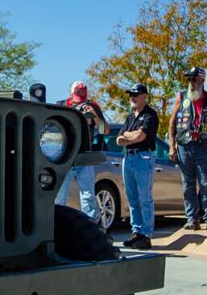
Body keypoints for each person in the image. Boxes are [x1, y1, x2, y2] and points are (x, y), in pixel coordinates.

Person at [169, 66, 207, 231]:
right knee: (188, 184)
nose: (191, 83)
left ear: (202, 80)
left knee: (206, 182)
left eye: (193, 79)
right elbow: (172, 122)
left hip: (203, 146)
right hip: (185, 144)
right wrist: (172, 145)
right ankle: (192, 218)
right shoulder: (182, 97)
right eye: (189, 79)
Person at [54, 81, 110, 221]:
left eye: (81, 98)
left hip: (84, 156)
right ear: (70, 93)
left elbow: (106, 130)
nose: (78, 103)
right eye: (76, 98)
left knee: (88, 196)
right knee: (60, 195)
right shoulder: (60, 105)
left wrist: (93, 116)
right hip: (64, 156)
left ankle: (92, 224)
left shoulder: (92, 106)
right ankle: (57, 226)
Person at [116, 83, 159, 249]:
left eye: (135, 94)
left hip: (143, 157)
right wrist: (128, 136)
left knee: (144, 199)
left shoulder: (150, 115)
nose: (132, 97)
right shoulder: (130, 117)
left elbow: (141, 136)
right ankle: (136, 233)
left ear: (144, 96)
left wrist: (129, 136)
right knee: (132, 199)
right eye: (130, 94)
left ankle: (146, 236)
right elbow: (119, 140)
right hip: (128, 157)